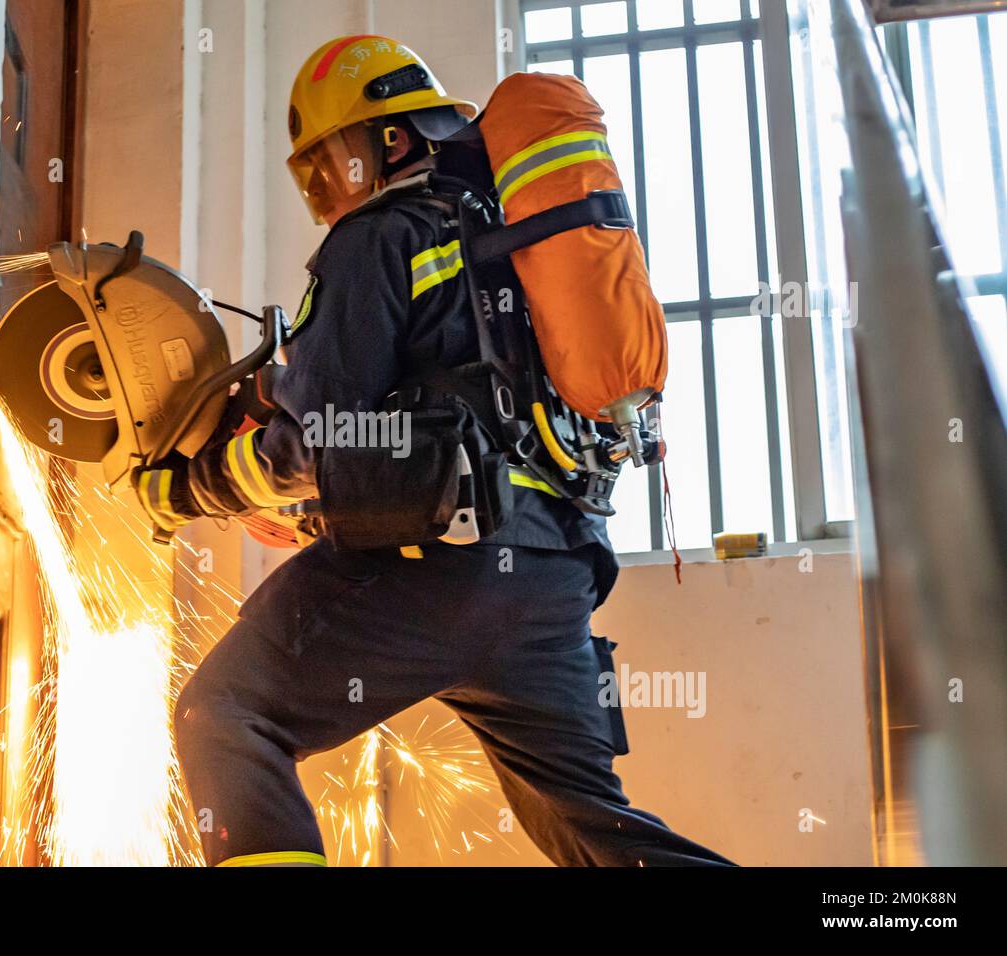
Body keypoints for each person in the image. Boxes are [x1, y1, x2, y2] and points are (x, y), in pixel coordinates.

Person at [135, 35, 734, 867]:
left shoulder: (378, 238)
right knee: (596, 832)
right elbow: (449, 423)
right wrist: (314, 512)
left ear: (390, 138)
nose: (323, 190)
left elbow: (314, 437)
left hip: (438, 571)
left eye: (329, 162)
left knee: (227, 716)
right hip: (552, 584)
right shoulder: (512, 247)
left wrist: (184, 492)